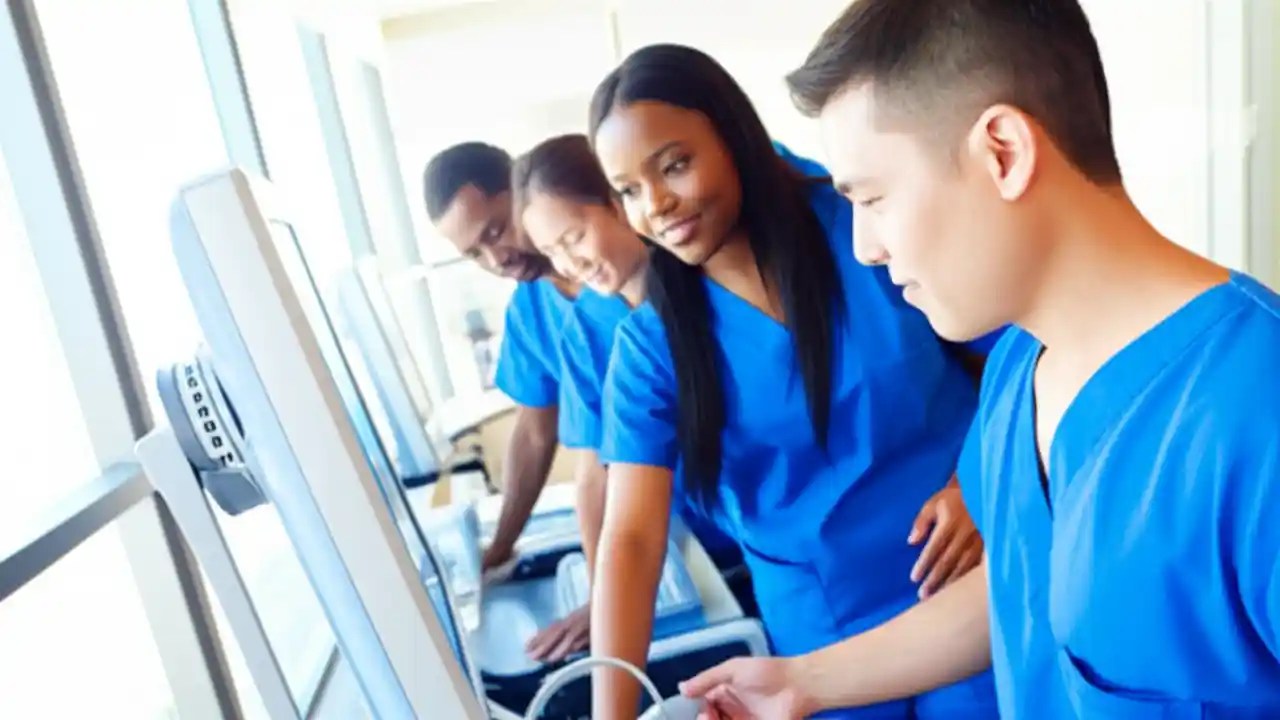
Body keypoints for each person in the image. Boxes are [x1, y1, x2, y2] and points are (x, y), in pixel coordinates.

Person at [681, 1, 1280, 718]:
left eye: (873, 197)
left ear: (1003, 151)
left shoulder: (1255, 412)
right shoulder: (1015, 372)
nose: (865, 245)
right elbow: (1024, 593)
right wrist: (803, 682)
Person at [586, 44, 998, 719]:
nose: (655, 205)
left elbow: (1015, 353)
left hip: (964, 574)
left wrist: (977, 481)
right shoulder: (652, 346)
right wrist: (612, 713)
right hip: (822, 634)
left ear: (733, 135)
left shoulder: (864, 228)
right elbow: (631, 537)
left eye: (675, 165)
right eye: (628, 191)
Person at [511, 133, 765, 662]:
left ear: (619, 203)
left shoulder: (719, 278)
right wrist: (604, 596)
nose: (569, 263)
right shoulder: (586, 326)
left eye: (574, 237)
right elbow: (593, 476)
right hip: (700, 550)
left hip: (776, 537)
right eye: (553, 252)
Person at [422, 142, 577, 596]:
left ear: (525, 189)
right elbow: (533, 432)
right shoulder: (530, 314)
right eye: (474, 253)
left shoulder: (616, 271)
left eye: (496, 230)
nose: (497, 260)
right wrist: (500, 547)